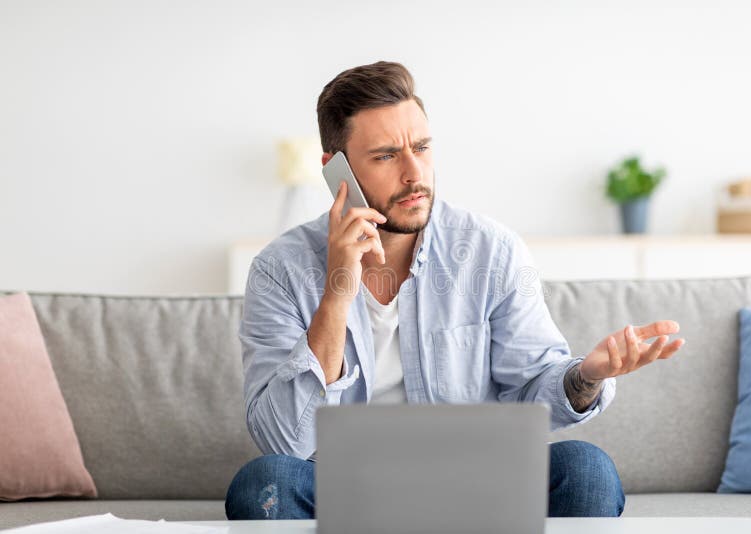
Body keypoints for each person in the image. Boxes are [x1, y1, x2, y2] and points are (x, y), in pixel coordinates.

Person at [225, 61, 685, 520]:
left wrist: (587, 375)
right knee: (264, 482)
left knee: (586, 469)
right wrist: (338, 290)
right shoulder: (279, 270)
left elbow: (531, 390)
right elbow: (283, 440)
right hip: (343, 490)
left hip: (475, 481)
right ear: (335, 171)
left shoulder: (492, 252)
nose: (413, 173)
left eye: (421, 148)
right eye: (386, 155)